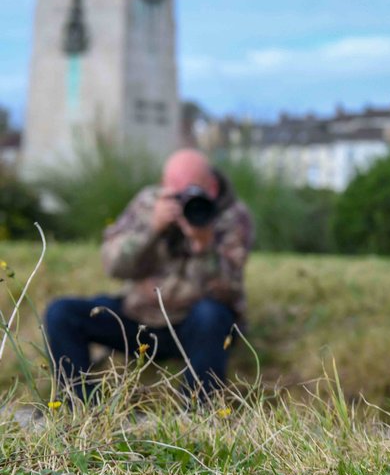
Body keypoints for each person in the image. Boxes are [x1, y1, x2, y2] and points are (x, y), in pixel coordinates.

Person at [44, 148, 255, 402]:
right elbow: (113, 266)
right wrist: (152, 229)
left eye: (192, 191)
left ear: (211, 187)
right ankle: (80, 408)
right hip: (139, 318)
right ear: (163, 185)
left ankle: (199, 414)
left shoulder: (233, 216)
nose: (184, 201)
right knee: (62, 313)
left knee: (212, 316)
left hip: (195, 326)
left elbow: (230, 291)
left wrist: (204, 246)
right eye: (176, 193)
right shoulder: (147, 204)